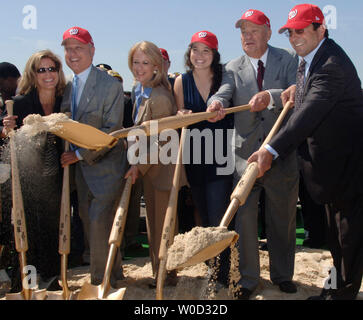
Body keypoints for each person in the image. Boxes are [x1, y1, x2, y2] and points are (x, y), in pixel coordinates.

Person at [247, 4, 363, 300]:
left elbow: (307, 115)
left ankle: (344, 293)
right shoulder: (313, 59)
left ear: (320, 29)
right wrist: (294, 90)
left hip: (348, 164)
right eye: (290, 32)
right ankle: (336, 287)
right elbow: (307, 93)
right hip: (329, 167)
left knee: (347, 236)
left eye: (301, 30)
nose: (295, 37)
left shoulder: (331, 65)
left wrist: (270, 150)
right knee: (335, 237)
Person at [207, 9, 299, 299]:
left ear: (268, 32)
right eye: (243, 31)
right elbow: (224, 91)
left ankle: (283, 275)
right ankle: (248, 280)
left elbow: (297, 93)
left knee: (282, 218)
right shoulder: (233, 67)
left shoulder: (289, 59)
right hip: (244, 157)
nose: (247, 36)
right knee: (244, 219)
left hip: (280, 153)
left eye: (253, 30)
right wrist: (216, 103)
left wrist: (271, 96)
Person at [60, 26, 128, 287]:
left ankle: (101, 281)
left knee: (99, 221)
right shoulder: (70, 85)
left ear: (92, 50)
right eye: (68, 48)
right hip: (81, 171)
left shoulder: (109, 85)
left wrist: (78, 154)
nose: (72, 53)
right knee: (89, 221)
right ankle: (115, 272)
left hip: (105, 166)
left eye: (78, 47)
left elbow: (112, 131)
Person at [3, 50, 66, 291]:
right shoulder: (20, 103)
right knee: (26, 226)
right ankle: (24, 282)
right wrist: (5, 127)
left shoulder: (64, 100)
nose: (48, 74)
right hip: (27, 177)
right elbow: (6, 136)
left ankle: (51, 280)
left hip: (57, 176)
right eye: (42, 70)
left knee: (54, 226)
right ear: (33, 74)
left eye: (52, 69)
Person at [125, 40, 183, 287]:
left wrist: (138, 165)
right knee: (154, 225)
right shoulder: (140, 90)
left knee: (163, 225)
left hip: (162, 169)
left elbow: (163, 139)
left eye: (145, 63)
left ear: (157, 66)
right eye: (136, 62)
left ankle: (166, 275)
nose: (139, 68)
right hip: (149, 169)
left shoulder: (159, 96)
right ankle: (160, 272)